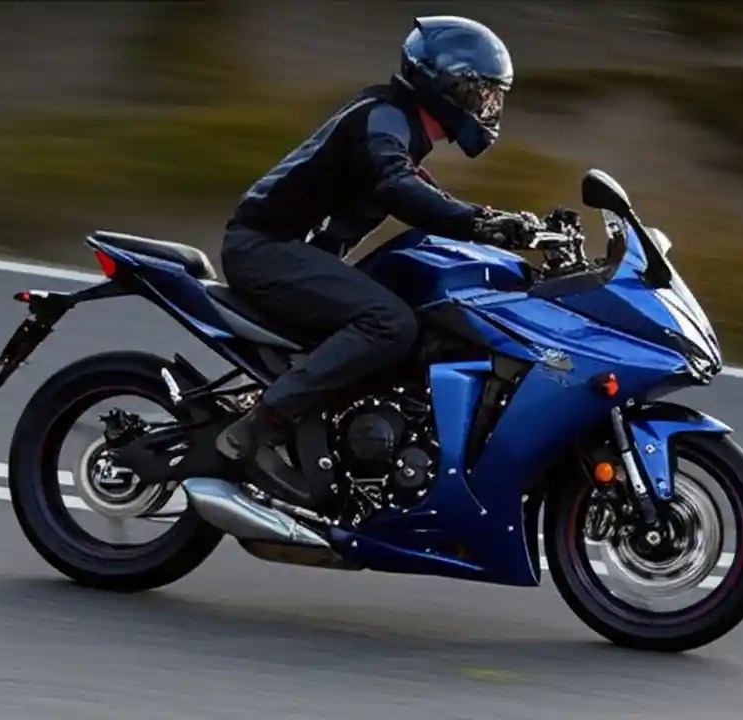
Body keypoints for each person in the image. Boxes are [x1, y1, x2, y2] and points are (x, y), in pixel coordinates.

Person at [214, 15, 541, 509]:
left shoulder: (398, 131)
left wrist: (514, 226)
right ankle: (262, 426)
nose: (489, 106)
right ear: (443, 83)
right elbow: (398, 187)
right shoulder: (383, 118)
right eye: (481, 92)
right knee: (389, 323)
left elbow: (428, 194)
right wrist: (476, 223)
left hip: (290, 253)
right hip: (264, 248)